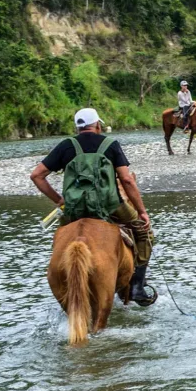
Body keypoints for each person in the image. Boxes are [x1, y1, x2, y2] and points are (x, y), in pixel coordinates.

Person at [30, 107, 155, 305]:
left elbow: (36, 175)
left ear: (78, 128)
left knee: (60, 239)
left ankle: (62, 276)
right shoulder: (110, 144)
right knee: (144, 233)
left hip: (74, 209)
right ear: (97, 125)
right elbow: (127, 180)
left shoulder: (66, 145)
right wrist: (142, 212)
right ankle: (137, 287)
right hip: (111, 206)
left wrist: (59, 200)